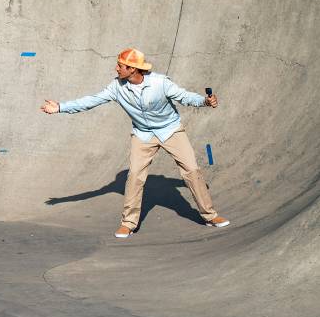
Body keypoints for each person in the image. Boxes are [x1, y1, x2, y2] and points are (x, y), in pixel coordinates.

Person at [40, 47, 230, 238]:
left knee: (191, 170)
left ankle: (210, 215)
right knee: (135, 176)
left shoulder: (160, 83)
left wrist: (204, 101)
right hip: (143, 135)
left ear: (132, 69)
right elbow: (92, 100)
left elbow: (184, 96)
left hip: (170, 131)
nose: (116, 69)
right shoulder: (116, 87)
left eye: (120, 66)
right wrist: (60, 107)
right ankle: (128, 223)